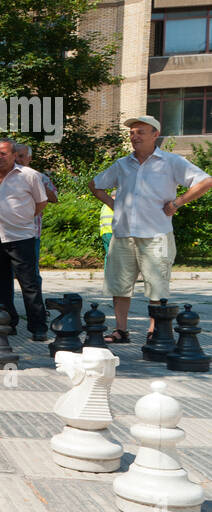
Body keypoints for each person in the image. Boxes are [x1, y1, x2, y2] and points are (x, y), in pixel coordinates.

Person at [90, 115, 212, 344]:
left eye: (140, 132)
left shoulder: (171, 162)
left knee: (157, 287)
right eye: (132, 132)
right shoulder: (122, 164)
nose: (134, 136)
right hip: (123, 234)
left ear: (155, 134)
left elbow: (205, 181)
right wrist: (114, 205)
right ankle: (121, 330)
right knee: (120, 285)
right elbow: (95, 185)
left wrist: (178, 202)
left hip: (157, 235)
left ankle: (155, 331)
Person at [0, 138, 49, 340]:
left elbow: (41, 203)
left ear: (14, 155)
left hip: (21, 236)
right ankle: (6, 322)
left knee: (29, 284)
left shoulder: (30, 176)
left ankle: (38, 327)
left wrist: (23, 218)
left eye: (3, 153)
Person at [13, 142, 58, 263]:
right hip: (8, 234)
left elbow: (54, 198)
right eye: (15, 156)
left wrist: (38, 184)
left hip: (30, 233)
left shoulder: (40, 177)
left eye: (21, 156)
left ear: (29, 158)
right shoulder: (3, 178)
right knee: (7, 274)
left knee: (31, 273)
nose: (17, 160)